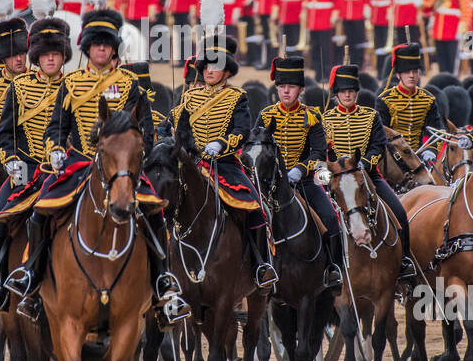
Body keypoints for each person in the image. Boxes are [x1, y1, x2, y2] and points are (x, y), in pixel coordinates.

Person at [20, 4, 189, 325]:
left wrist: (136, 160)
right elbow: (56, 127)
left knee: (154, 211)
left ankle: (163, 281)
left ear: (113, 49)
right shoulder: (70, 85)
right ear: (87, 48)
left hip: (122, 168)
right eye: (96, 43)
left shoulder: (129, 84)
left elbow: (147, 131)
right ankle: (32, 279)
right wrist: (55, 148)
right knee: (42, 209)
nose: (101, 48)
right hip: (80, 164)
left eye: (106, 44)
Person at [0, 12, 71, 314]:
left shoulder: (75, 87)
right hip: (26, 170)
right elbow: (5, 134)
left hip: (64, 170)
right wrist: (12, 160)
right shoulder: (19, 88)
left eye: (56, 54)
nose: (50, 60)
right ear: (37, 57)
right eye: (45, 55)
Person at [173, 30, 277, 290]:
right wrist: (190, 150)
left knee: (255, 207)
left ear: (226, 71)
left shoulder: (236, 97)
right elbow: (182, 131)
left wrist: (221, 144)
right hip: (193, 164)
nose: (209, 71)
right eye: (206, 65)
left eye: (215, 66)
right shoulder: (189, 97)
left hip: (225, 164)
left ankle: (261, 264)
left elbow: (242, 131)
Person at [321, 63, 414, 279]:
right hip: (336, 180)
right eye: (343, 91)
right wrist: (329, 173)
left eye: (351, 91)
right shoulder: (326, 119)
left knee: (399, 213)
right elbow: (322, 153)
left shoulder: (371, 116)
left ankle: (405, 262)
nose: (347, 95)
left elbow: (378, 146)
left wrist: (365, 164)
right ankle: (330, 267)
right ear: (337, 93)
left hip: (367, 175)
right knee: (325, 221)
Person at [257, 55, 342, 288]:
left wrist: (299, 170)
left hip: (302, 182)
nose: (286, 91)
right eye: (282, 87)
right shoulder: (265, 116)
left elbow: (318, 153)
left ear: (300, 90)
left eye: (291, 87)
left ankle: (333, 269)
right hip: (269, 185)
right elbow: (255, 148)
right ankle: (257, 268)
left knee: (330, 219)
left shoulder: (312, 116)